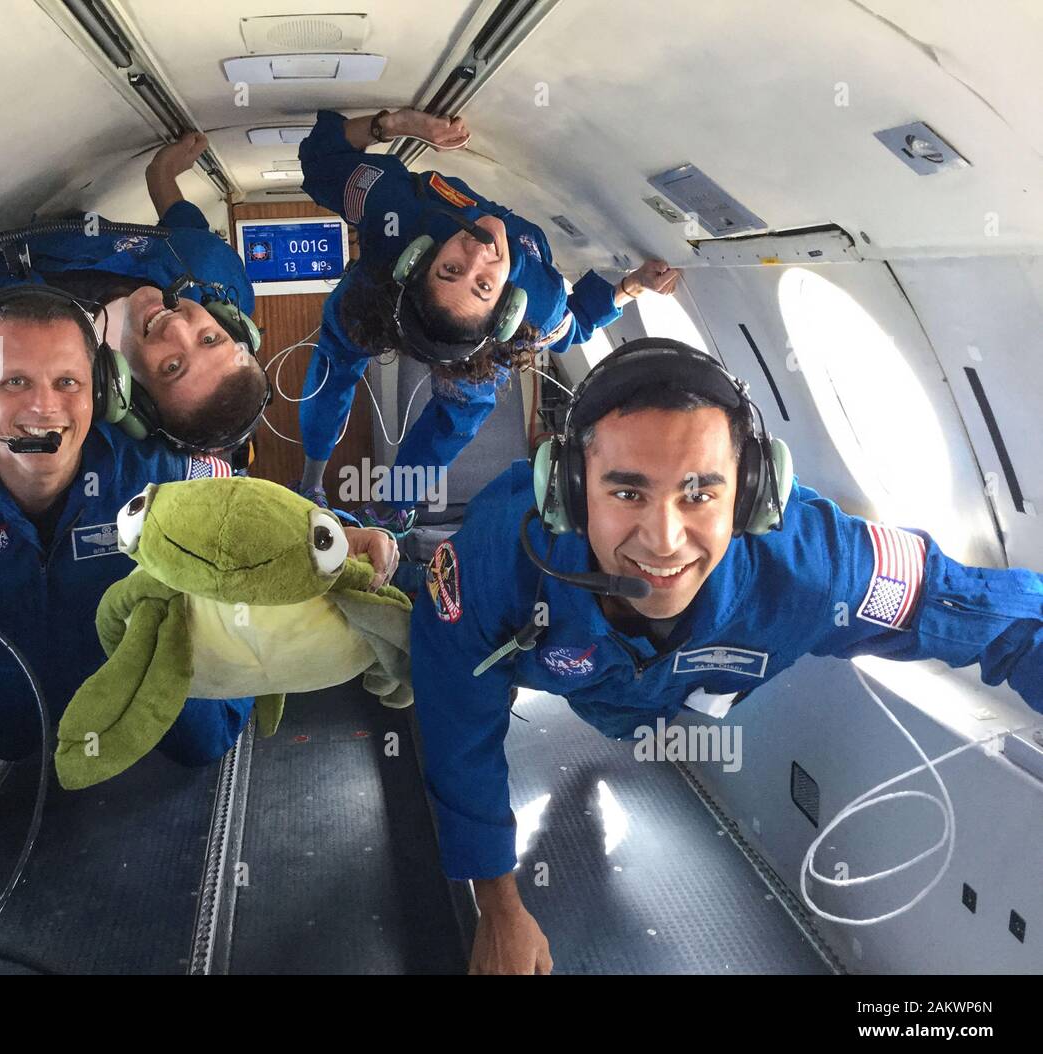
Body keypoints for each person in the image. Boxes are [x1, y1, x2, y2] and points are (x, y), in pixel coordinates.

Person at [409, 337, 1043, 974]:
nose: (663, 541)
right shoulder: (496, 559)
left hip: (663, 703)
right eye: (627, 493)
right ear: (569, 494)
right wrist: (498, 905)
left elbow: (1004, 621)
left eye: (699, 494)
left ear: (752, 495)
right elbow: (457, 722)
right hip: (552, 668)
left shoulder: (816, 568)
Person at [0, 287, 395, 765]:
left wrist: (345, 534)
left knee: (203, 744)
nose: (43, 407)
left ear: (103, 392)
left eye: (67, 381)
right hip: (13, 716)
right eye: (13, 381)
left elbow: (254, 516)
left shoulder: (155, 472)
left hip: (151, 689)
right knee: (7, 743)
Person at [292, 107, 681, 532]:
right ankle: (311, 483)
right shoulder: (532, 297)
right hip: (374, 302)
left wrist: (402, 125)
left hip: (406, 299)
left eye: (453, 270)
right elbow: (575, 327)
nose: (478, 253)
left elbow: (321, 159)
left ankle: (391, 506)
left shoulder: (399, 212)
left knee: (454, 412)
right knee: (337, 367)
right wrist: (632, 285)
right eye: (477, 283)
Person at [0, 133, 270, 454]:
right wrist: (159, 174)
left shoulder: (44, 393)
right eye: (209, 338)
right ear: (229, 323)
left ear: (126, 395)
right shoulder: (212, 273)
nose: (176, 329)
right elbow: (185, 229)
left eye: (172, 366)